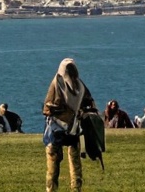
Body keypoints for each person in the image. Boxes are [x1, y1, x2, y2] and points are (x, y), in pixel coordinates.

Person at [43, 57, 100, 192]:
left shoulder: (57, 83)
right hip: (74, 128)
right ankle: (76, 188)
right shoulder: (81, 85)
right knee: (75, 162)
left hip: (56, 129)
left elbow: (47, 107)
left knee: (53, 161)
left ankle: (52, 189)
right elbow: (90, 104)